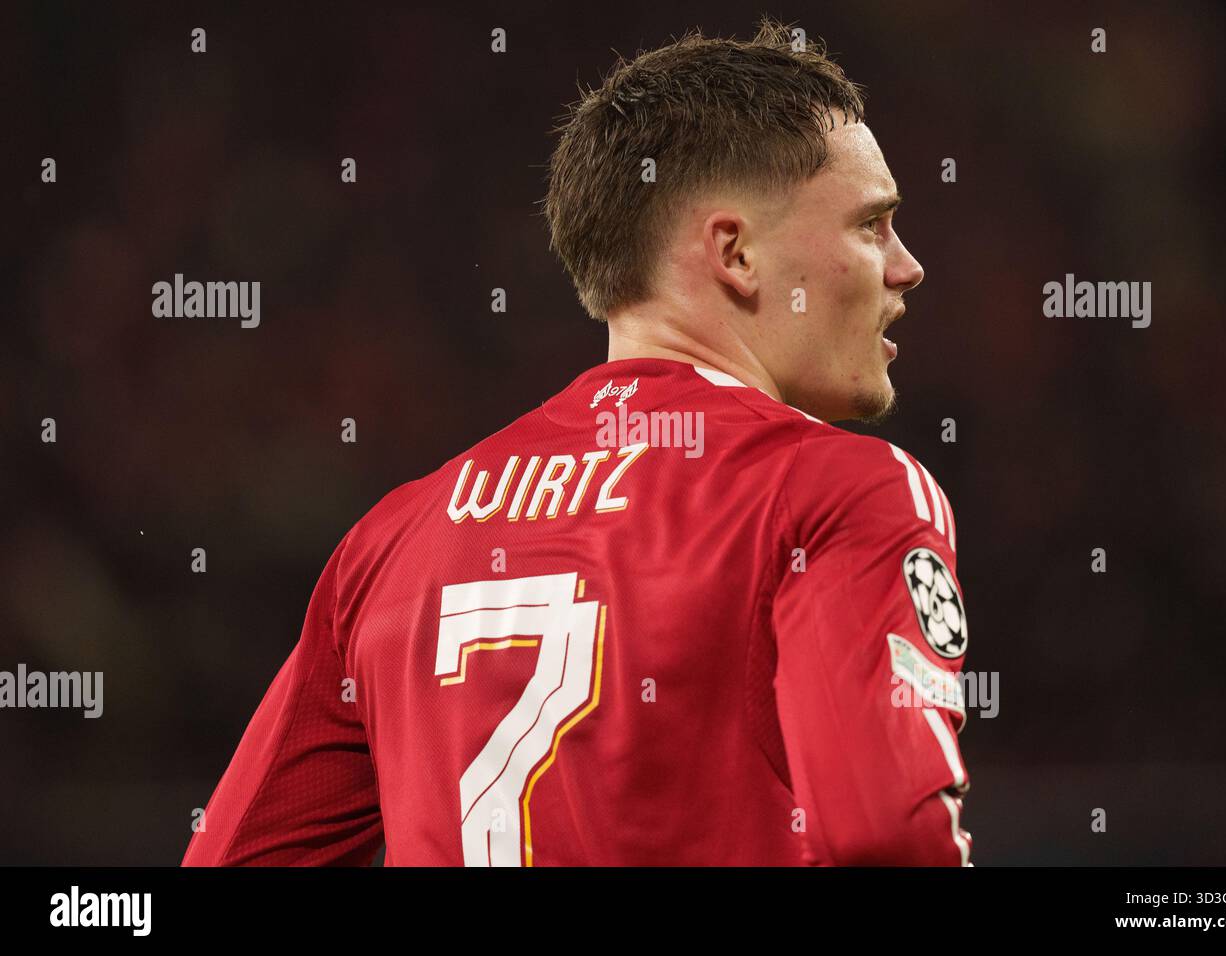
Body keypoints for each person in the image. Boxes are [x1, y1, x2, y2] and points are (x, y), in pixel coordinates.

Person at [183, 18, 971, 867]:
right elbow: (889, 840)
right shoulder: (837, 491)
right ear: (736, 252)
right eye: (873, 224)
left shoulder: (392, 540)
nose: (907, 265)